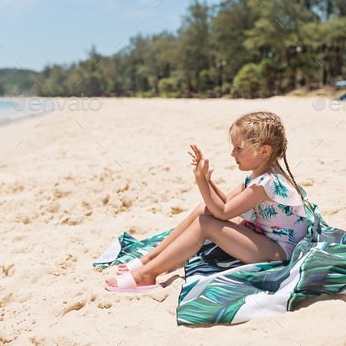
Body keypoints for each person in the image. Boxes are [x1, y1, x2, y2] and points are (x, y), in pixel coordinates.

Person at [105, 111, 308, 292]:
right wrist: (208, 180)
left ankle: (147, 275)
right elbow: (226, 202)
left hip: (277, 252)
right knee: (202, 209)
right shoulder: (259, 175)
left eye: (239, 148)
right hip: (263, 237)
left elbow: (223, 212)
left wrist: (200, 180)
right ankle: (149, 260)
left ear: (264, 151)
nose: (233, 153)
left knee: (206, 224)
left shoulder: (267, 183)